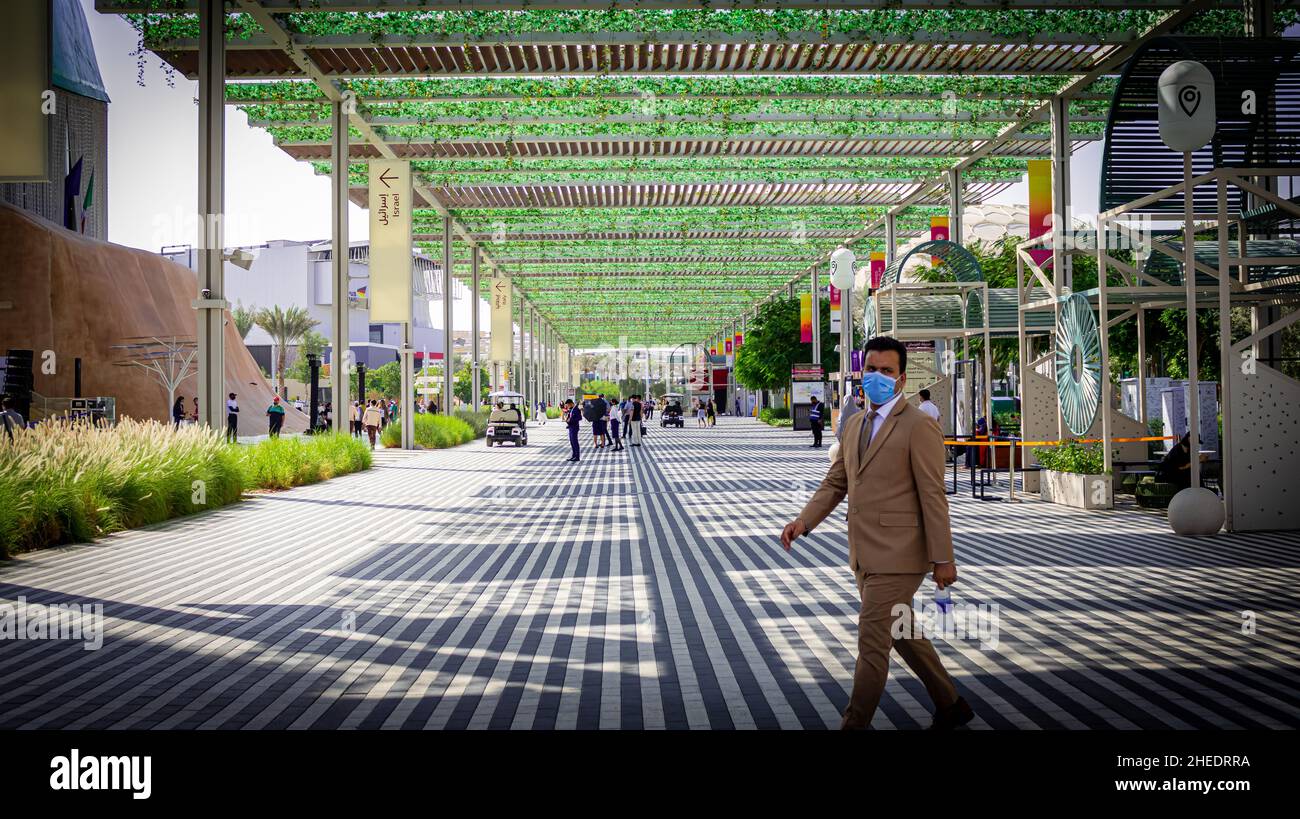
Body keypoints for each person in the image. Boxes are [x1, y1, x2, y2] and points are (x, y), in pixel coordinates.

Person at [780, 335, 973, 731]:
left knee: (872, 643)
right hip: (863, 554)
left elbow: (933, 495)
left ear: (901, 379)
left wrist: (944, 558)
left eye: (887, 371)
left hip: (901, 555)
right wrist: (803, 522)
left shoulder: (919, 426)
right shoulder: (852, 425)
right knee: (901, 632)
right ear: (860, 372)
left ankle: (854, 723)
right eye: (872, 370)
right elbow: (836, 483)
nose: (878, 378)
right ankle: (951, 705)